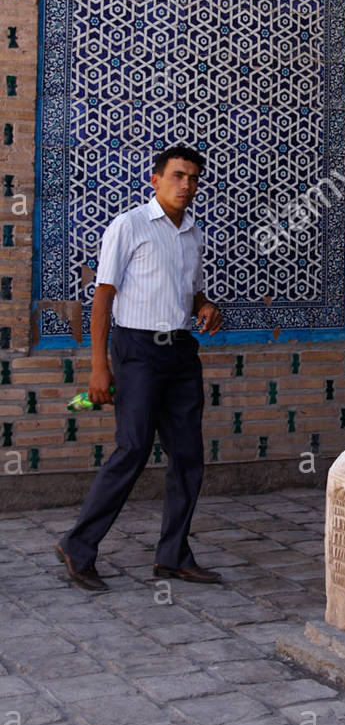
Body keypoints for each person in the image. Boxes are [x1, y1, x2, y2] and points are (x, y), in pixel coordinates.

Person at [56, 145, 223, 592]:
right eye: (177, 176)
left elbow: (190, 292)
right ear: (156, 179)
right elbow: (103, 296)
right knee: (132, 449)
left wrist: (205, 305)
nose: (186, 185)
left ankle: (173, 555)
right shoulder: (128, 227)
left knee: (188, 456)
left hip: (180, 354)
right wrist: (98, 368)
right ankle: (79, 545)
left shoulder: (193, 232)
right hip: (137, 350)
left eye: (193, 178)